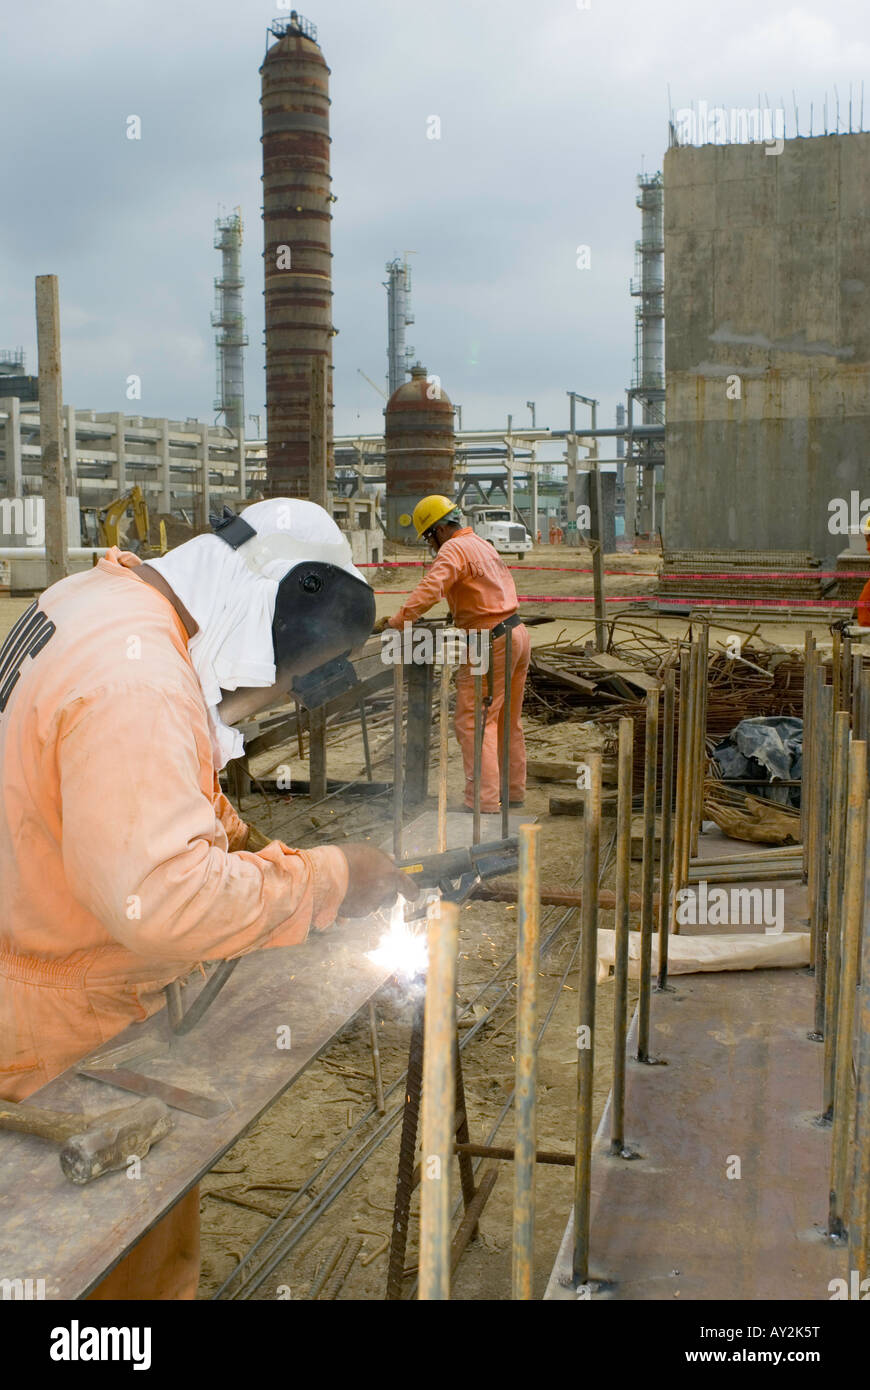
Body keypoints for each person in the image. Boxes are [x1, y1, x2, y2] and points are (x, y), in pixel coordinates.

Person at [0, 497, 406, 1299]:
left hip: (32, 955)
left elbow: (122, 784)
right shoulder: (139, 681)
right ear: (274, 603)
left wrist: (248, 842)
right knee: (114, 1273)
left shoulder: (94, 601)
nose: (266, 693)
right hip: (70, 1020)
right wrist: (330, 879)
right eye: (277, 676)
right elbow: (167, 903)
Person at [374, 495, 530, 814]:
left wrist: (397, 622)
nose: (432, 546)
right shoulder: (481, 544)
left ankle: (482, 802)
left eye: (430, 537)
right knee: (506, 719)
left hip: (489, 640)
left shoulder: (453, 549)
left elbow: (432, 589)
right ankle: (512, 791)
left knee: (474, 721)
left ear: (440, 529)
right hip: (516, 633)